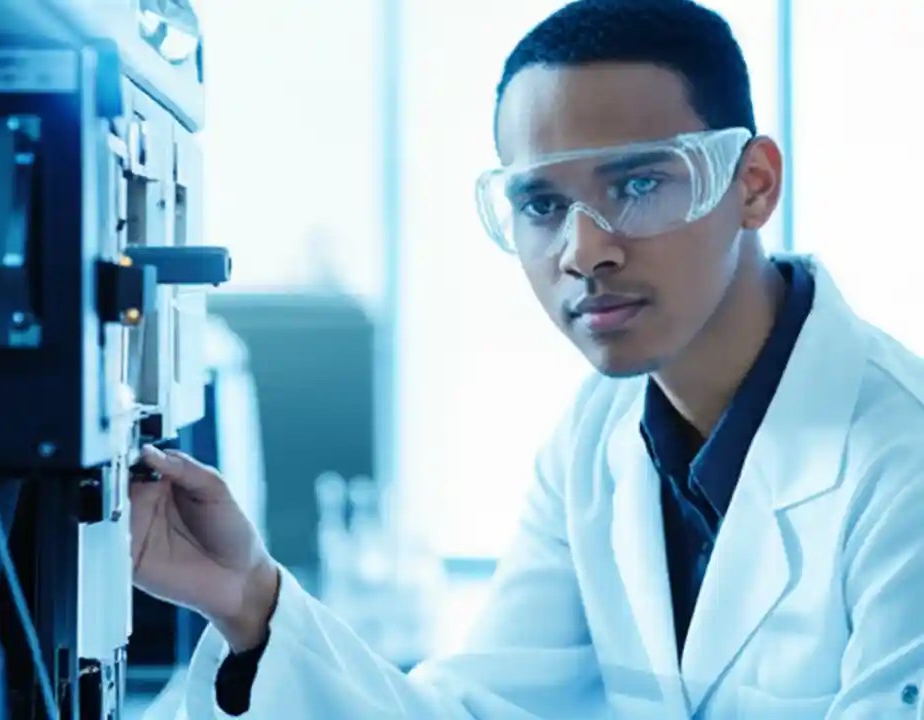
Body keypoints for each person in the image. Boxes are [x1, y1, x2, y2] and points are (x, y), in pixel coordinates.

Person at [130, 0, 924, 717]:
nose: (583, 251)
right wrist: (252, 601)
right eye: (542, 205)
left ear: (752, 185)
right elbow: (473, 712)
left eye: (639, 183)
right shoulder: (599, 438)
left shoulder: (902, 465)